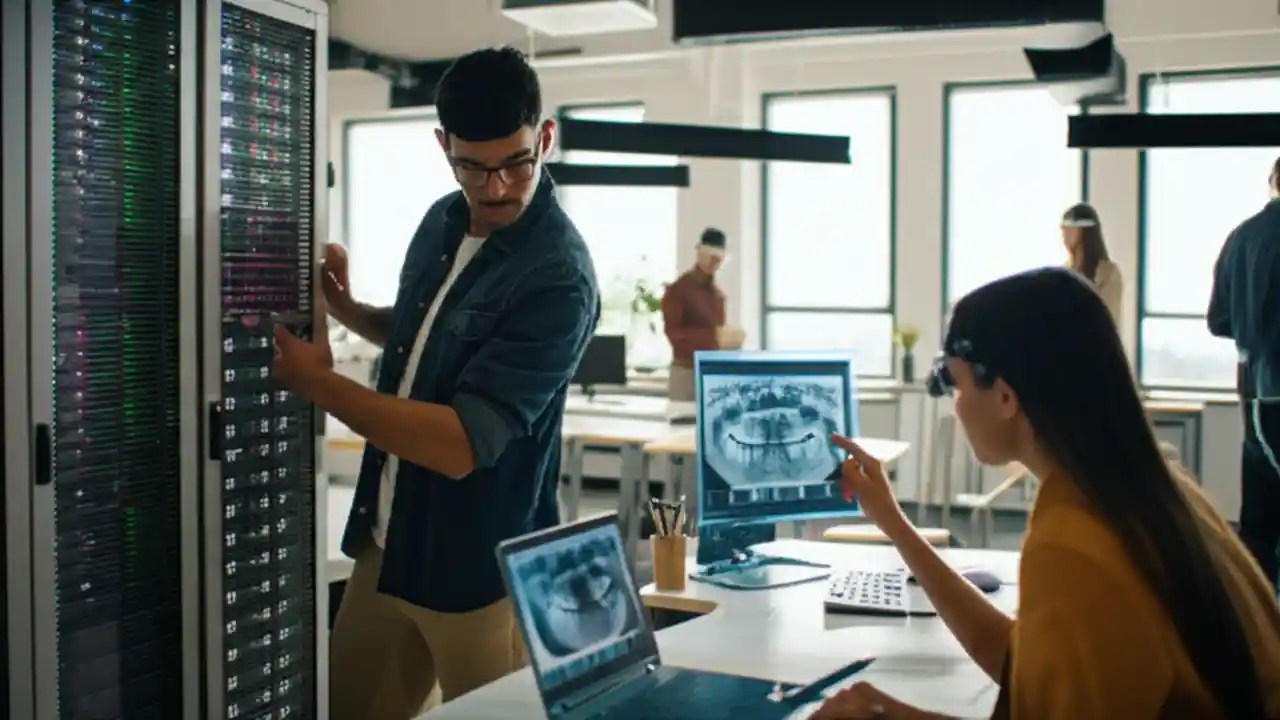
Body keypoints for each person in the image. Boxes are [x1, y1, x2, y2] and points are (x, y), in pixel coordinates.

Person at [270, 46, 599, 720]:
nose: (497, 187)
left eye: (516, 163)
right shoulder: (442, 220)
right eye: (472, 168)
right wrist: (350, 310)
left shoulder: (557, 276)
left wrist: (322, 387)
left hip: (482, 568)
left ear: (546, 137)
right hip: (389, 544)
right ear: (443, 145)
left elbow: (460, 445)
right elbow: (429, 337)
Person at [813, 267, 1280, 719]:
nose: (956, 407)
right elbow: (1028, 668)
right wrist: (894, 523)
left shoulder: (1074, 545)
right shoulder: (1154, 494)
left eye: (957, 386)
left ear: (1004, 397)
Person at [1208, 156, 1280, 590]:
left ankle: (1258, 629)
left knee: (1258, 521)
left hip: (1253, 393)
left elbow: (1218, 320)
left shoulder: (1240, 237)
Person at [661, 227, 745, 400]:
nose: (714, 263)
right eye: (711, 257)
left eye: (718, 259)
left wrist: (731, 343)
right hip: (685, 374)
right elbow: (674, 335)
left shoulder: (718, 296)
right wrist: (715, 337)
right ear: (699, 254)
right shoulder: (678, 291)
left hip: (711, 375)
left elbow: (718, 341)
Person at [1060, 202, 1122, 325]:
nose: (1063, 235)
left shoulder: (1108, 273)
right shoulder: (1064, 272)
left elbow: (1108, 318)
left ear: (1081, 230)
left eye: (1067, 228)